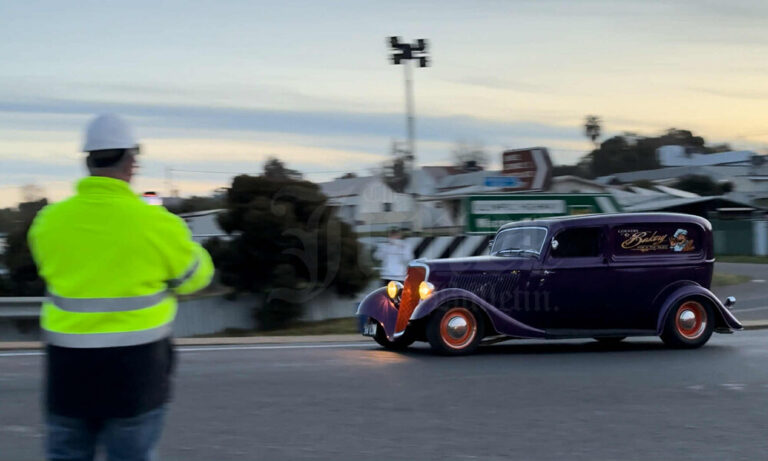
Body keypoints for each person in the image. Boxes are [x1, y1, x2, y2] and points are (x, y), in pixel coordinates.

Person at [28, 114, 215, 461]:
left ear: (88, 161)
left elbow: (49, 266)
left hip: (67, 374)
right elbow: (197, 277)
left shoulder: (48, 222)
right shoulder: (157, 223)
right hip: (136, 374)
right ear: (131, 163)